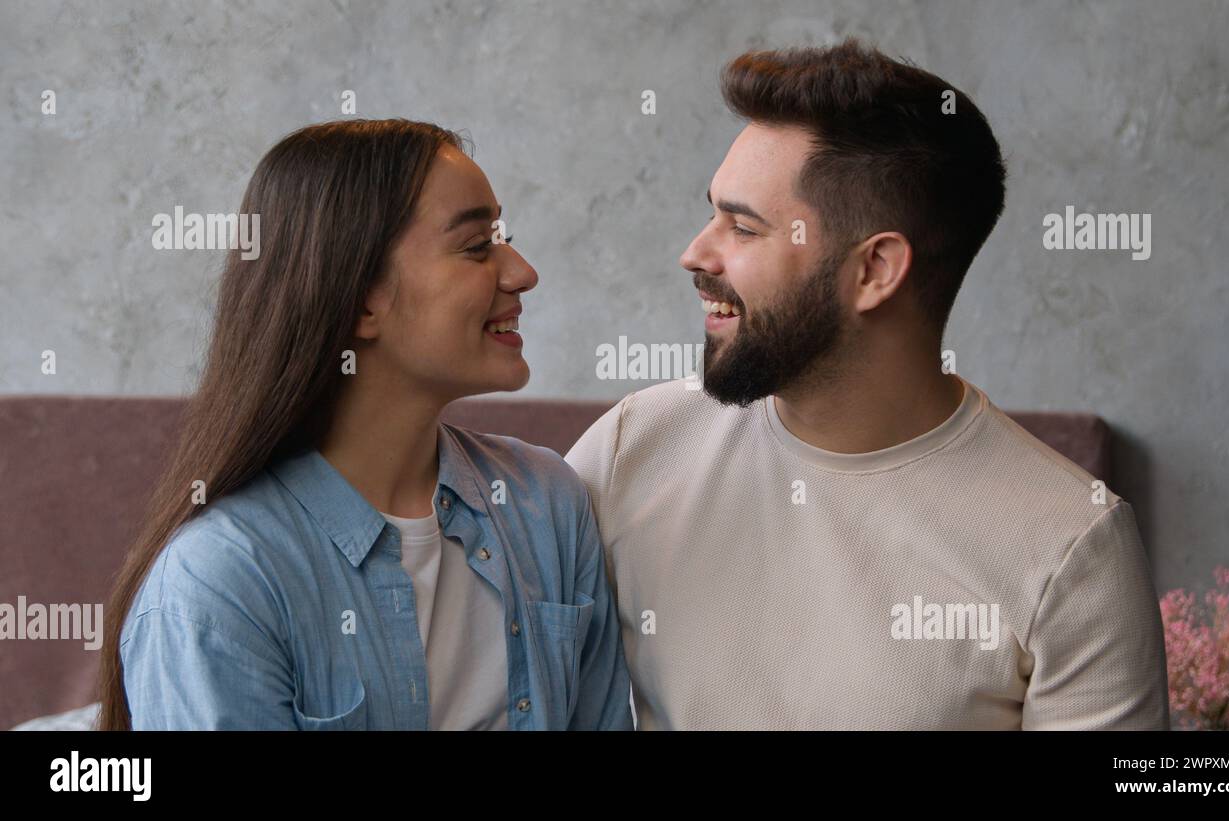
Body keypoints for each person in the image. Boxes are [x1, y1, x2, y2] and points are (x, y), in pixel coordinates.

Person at [565, 39, 1169, 730]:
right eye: (713, 214)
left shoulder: (1072, 549)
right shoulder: (630, 450)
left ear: (876, 269)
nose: (696, 253)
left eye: (742, 226)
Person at [98, 119, 632, 730]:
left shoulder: (546, 504)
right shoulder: (219, 585)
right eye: (477, 246)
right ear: (359, 300)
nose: (521, 273)